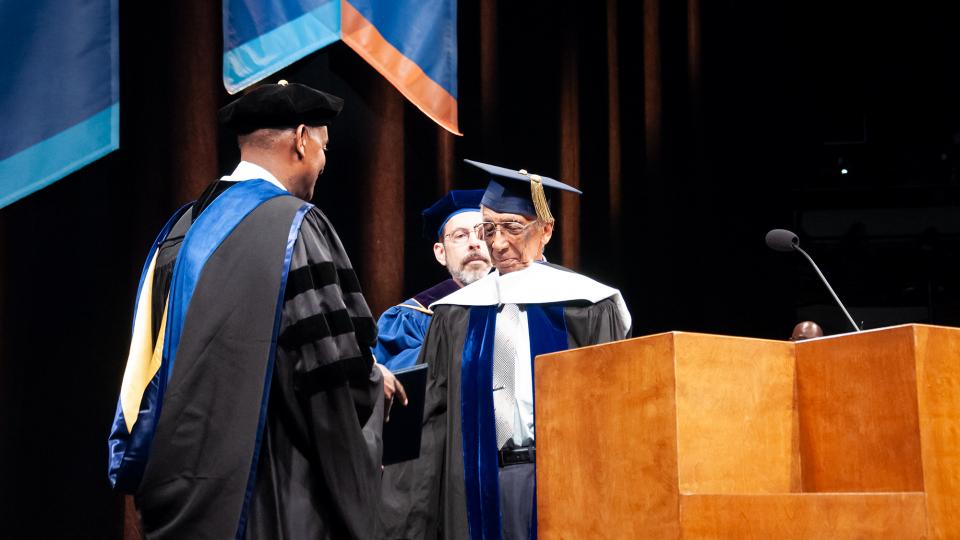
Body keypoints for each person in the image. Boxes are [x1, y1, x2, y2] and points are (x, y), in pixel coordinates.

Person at [107, 81, 391, 539]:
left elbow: (146, 371)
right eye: (323, 146)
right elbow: (331, 378)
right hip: (271, 494)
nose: (322, 162)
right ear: (301, 139)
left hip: (180, 496)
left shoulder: (178, 231)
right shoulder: (294, 226)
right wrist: (374, 383)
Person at [378, 160, 632, 540]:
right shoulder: (454, 314)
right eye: (489, 228)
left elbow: (618, 412)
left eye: (512, 227)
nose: (497, 243)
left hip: (566, 479)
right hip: (475, 481)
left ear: (545, 231)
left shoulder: (589, 305)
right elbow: (431, 421)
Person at [372, 190, 492, 370]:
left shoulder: (518, 304)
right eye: (460, 235)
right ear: (441, 253)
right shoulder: (411, 318)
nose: (474, 243)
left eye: (482, 235)